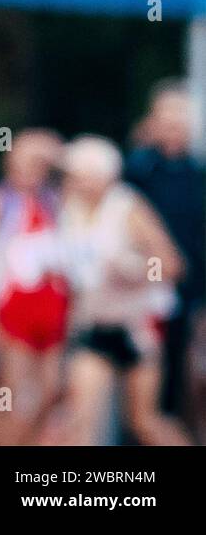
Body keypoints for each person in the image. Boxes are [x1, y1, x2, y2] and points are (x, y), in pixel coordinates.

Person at [51, 135, 190, 445]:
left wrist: (135, 272)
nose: (72, 181)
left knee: (144, 422)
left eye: (79, 175)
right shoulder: (68, 209)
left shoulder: (128, 207)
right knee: (79, 419)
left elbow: (172, 265)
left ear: (102, 177)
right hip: (94, 324)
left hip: (136, 326)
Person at [0, 128, 68, 445]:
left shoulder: (53, 200)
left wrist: (55, 154)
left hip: (50, 311)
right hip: (13, 310)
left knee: (50, 391)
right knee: (11, 397)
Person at [124, 80, 204, 426]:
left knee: (185, 380)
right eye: (167, 118)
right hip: (140, 295)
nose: (175, 126)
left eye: (181, 118)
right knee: (143, 392)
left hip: (190, 295)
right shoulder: (137, 172)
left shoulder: (197, 175)